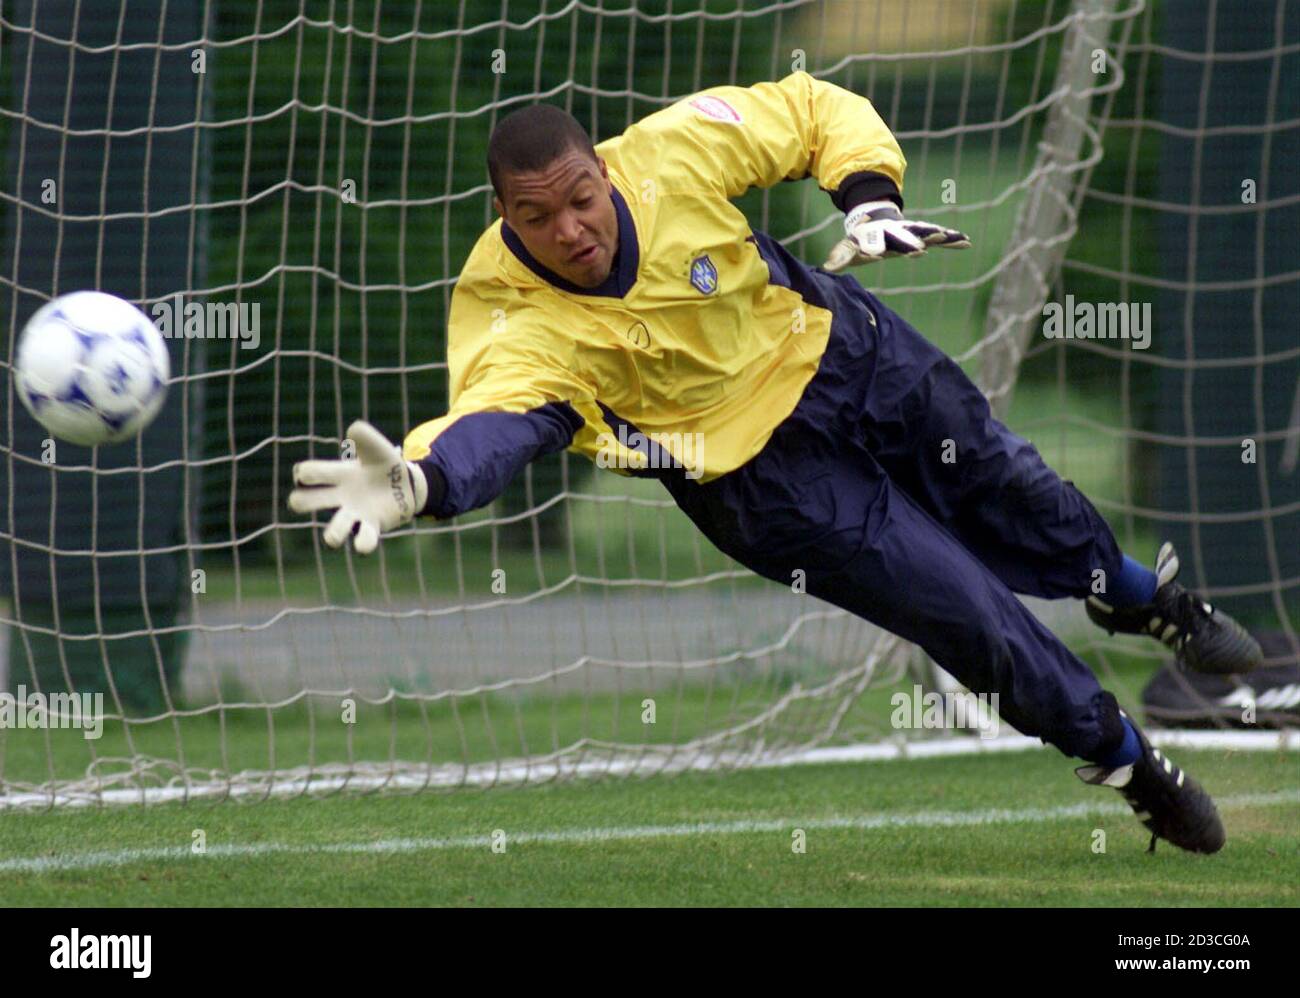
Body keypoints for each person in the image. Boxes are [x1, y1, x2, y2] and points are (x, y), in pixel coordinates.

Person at [288, 73, 1262, 853]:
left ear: (602, 171)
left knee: (1020, 492)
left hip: (844, 352)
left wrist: (869, 198)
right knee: (966, 614)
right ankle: (1132, 763)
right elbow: (498, 416)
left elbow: (809, 110)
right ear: (504, 215)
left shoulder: (669, 151)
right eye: (539, 218)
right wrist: (425, 477)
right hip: (756, 481)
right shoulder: (506, 308)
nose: (571, 229)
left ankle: (1140, 598)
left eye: (581, 198)